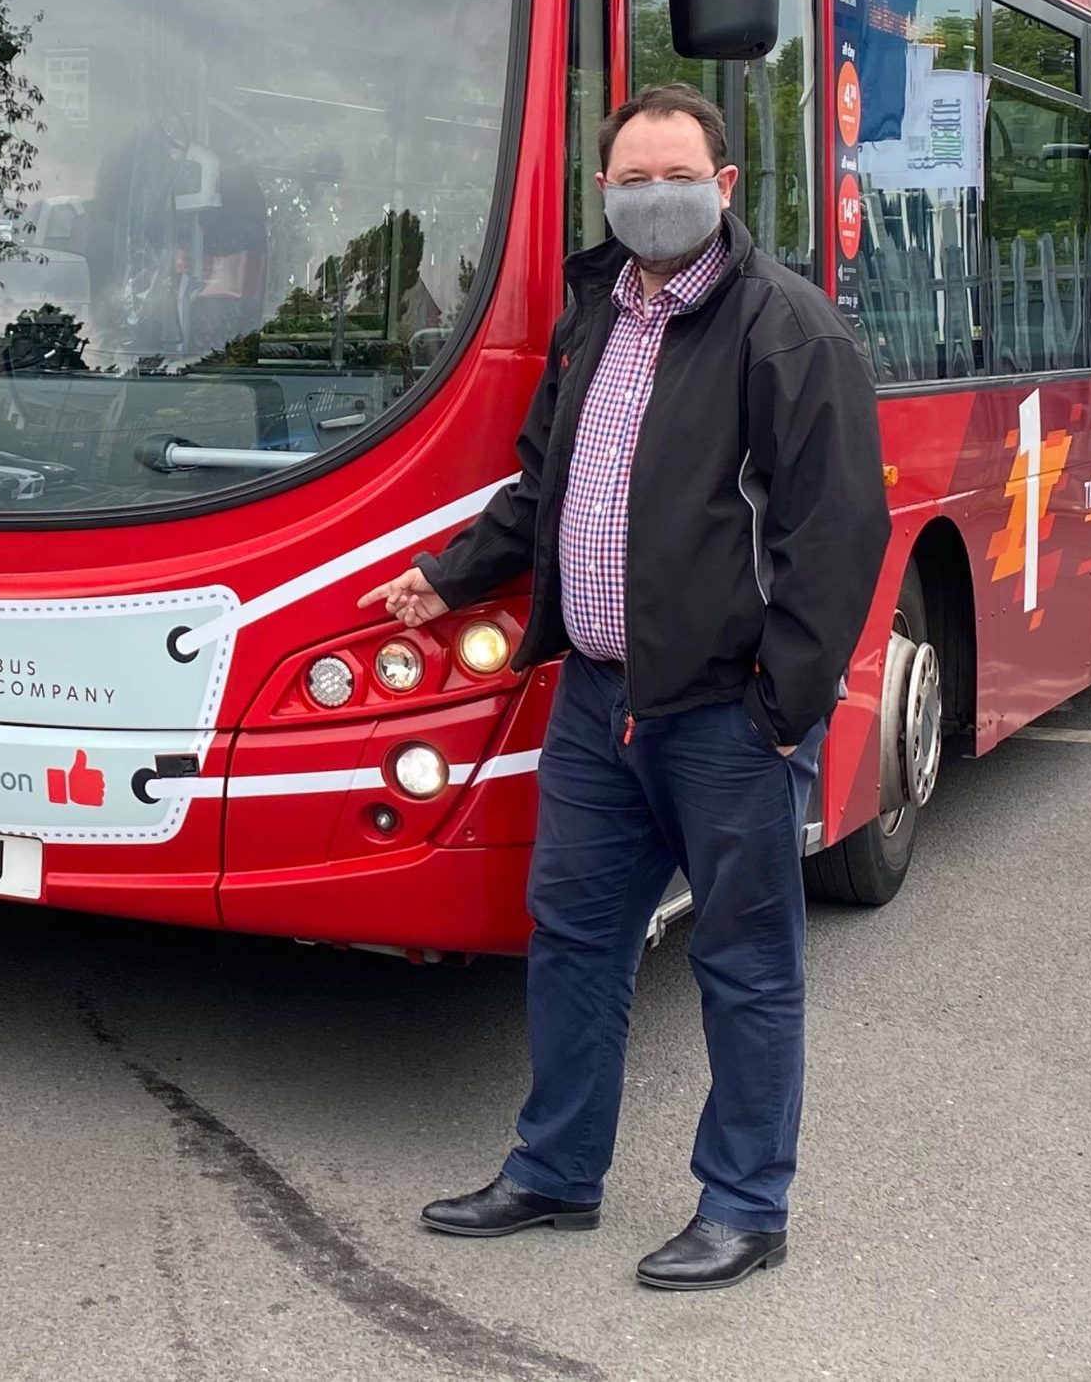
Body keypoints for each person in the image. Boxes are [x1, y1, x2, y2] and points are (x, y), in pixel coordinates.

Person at [363, 83, 888, 1291]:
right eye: (631, 180)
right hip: (600, 704)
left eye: (675, 176)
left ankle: (746, 1206)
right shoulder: (594, 313)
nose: (654, 199)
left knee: (745, 964)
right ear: (603, 191)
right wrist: (452, 578)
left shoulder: (786, 330)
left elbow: (835, 536)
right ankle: (555, 1173)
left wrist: (779, 711)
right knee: (576, 942)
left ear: (726, 186)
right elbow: (549, 487)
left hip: (722, 718)